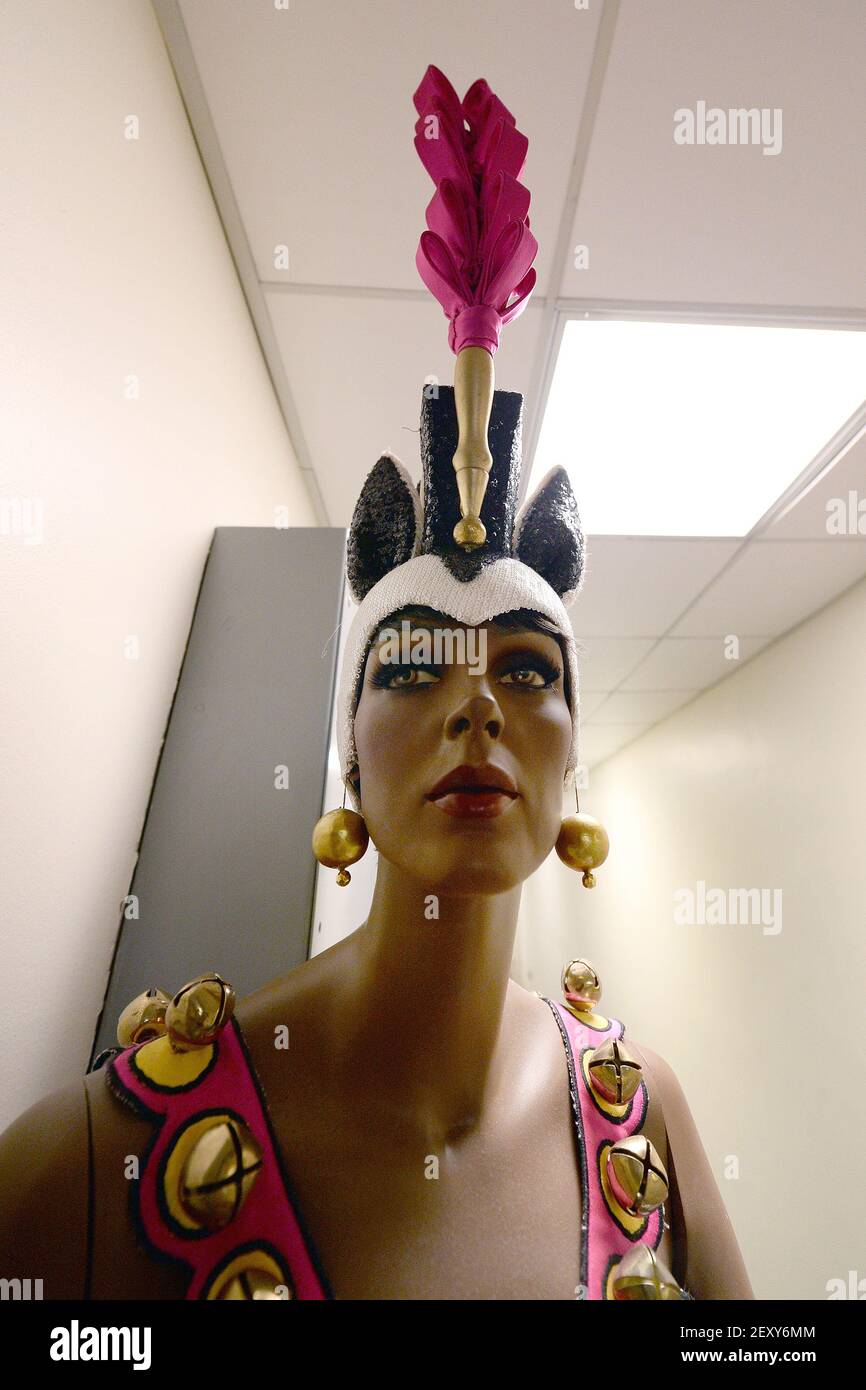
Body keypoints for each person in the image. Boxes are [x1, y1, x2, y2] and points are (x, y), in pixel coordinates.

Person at [0, 65, 753, 1301]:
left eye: (524, 666)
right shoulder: (96, 1165)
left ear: (573, 759)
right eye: (412, 667)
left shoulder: (645, 1124)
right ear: (348, 749)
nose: (477, 706)